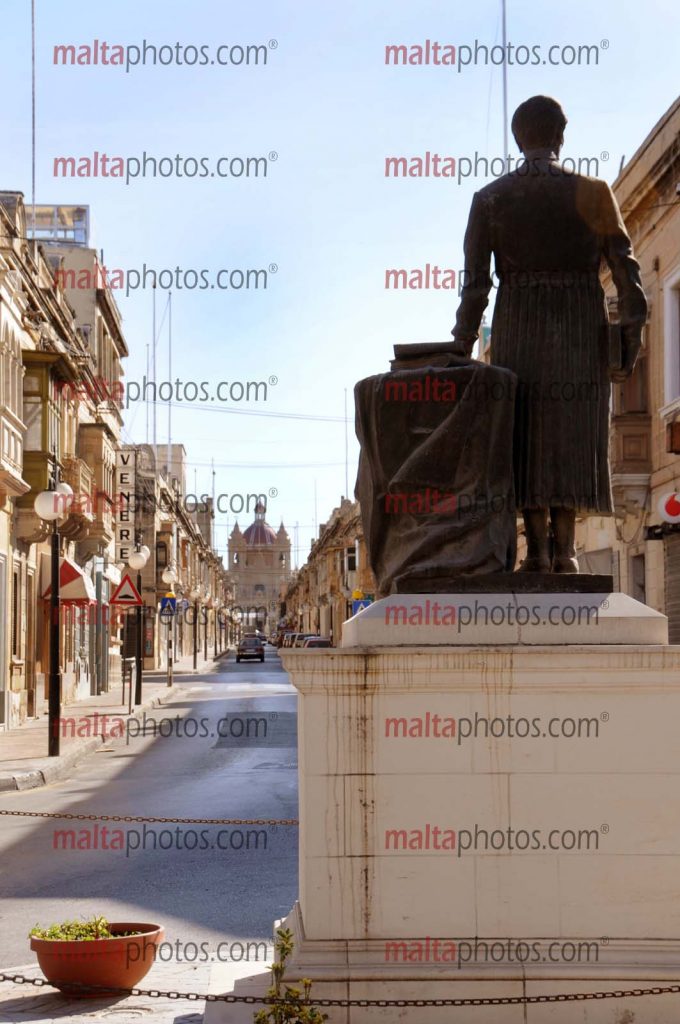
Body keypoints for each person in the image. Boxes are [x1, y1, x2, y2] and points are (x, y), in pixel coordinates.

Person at [451, 95, 647, 572]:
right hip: (580, 324)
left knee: (525, 434)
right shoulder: (594, 192)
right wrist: (629, 337)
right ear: (560, 136)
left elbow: (475, 287)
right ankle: (567, 552)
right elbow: (628, 273)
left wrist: (461, 345)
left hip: (519, 325)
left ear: (519, 140)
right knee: (572, 433)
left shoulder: (490, 199)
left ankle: (536, 552)